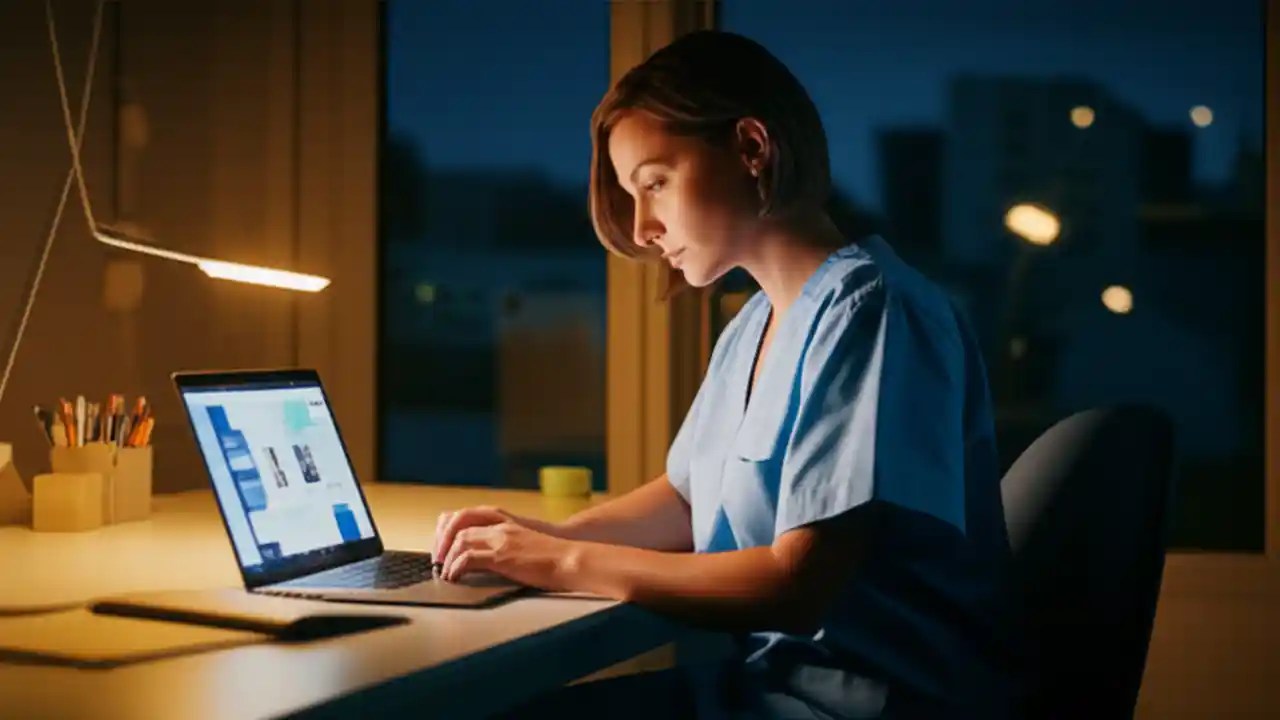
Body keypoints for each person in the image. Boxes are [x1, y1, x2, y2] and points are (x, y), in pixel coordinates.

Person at [432, 31, 1020, 719]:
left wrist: (562, 564)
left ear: (751, 148)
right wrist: (547, 537)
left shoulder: (875, 310)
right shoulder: (755, 322)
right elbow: (687, 502)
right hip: (770, 691)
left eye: (655, 183)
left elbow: (795, 584)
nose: (642, 226)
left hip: (864, 705)